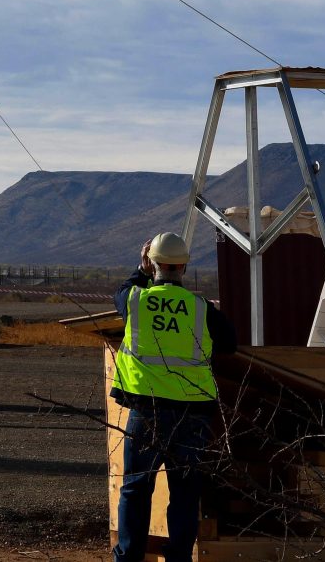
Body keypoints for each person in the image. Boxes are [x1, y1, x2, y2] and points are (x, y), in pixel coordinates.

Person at [112, 231, 235, 562]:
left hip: (148, 411)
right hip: (193, 414)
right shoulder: (200, 309)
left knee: (137, 489)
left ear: (152, 263)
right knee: (184, 491)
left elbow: (121, 292)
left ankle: (129, 557)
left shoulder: (135, 300)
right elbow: (229, 342)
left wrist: (141, 270)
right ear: (184, 266)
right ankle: (178, 558)